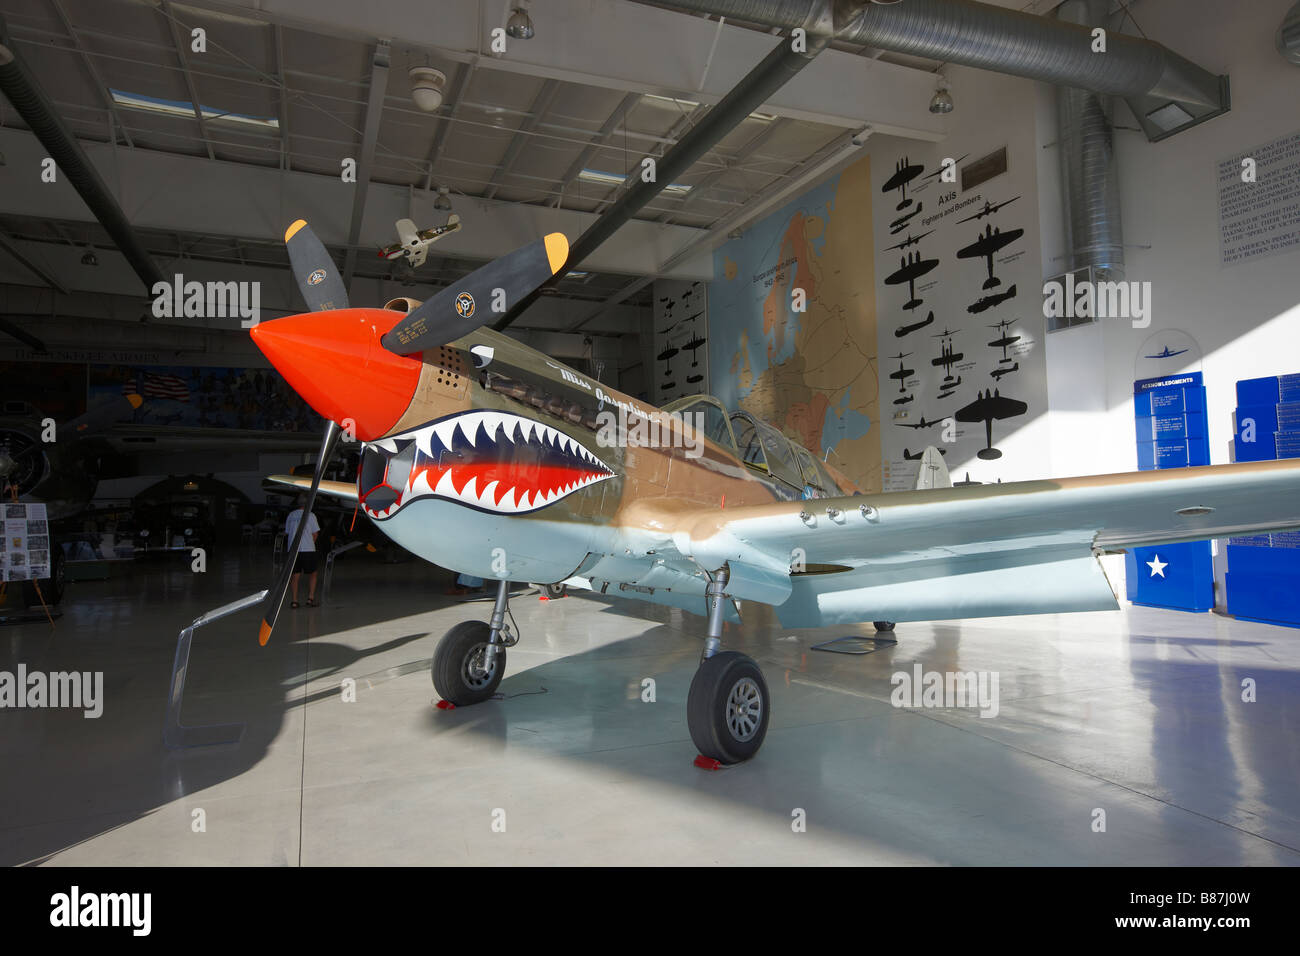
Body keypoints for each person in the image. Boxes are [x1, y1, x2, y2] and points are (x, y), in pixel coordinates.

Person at [284, 496, 321, 608]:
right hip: (307, 549)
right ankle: (310, 598)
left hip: (293, 549)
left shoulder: (291, 515)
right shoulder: (311, 515)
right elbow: (315, 534)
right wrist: (310, 543)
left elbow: (287, 532)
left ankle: (294, 601)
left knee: (295, 575)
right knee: (313, 573)